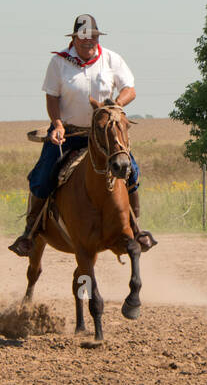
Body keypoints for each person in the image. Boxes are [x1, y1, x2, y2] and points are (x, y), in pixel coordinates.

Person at [9, 14, 155, 256]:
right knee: (43, 174)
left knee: (131, 170)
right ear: (74, 38)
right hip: (70, 134)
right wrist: (57, 124)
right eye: (84, 37)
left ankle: (135, 228)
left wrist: (115, 106)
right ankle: (30, 232)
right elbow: (52, 97)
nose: (89, 41)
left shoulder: (111, 59)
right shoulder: (59, 62)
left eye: (93, 37)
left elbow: (130, 89)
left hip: (105, 134)